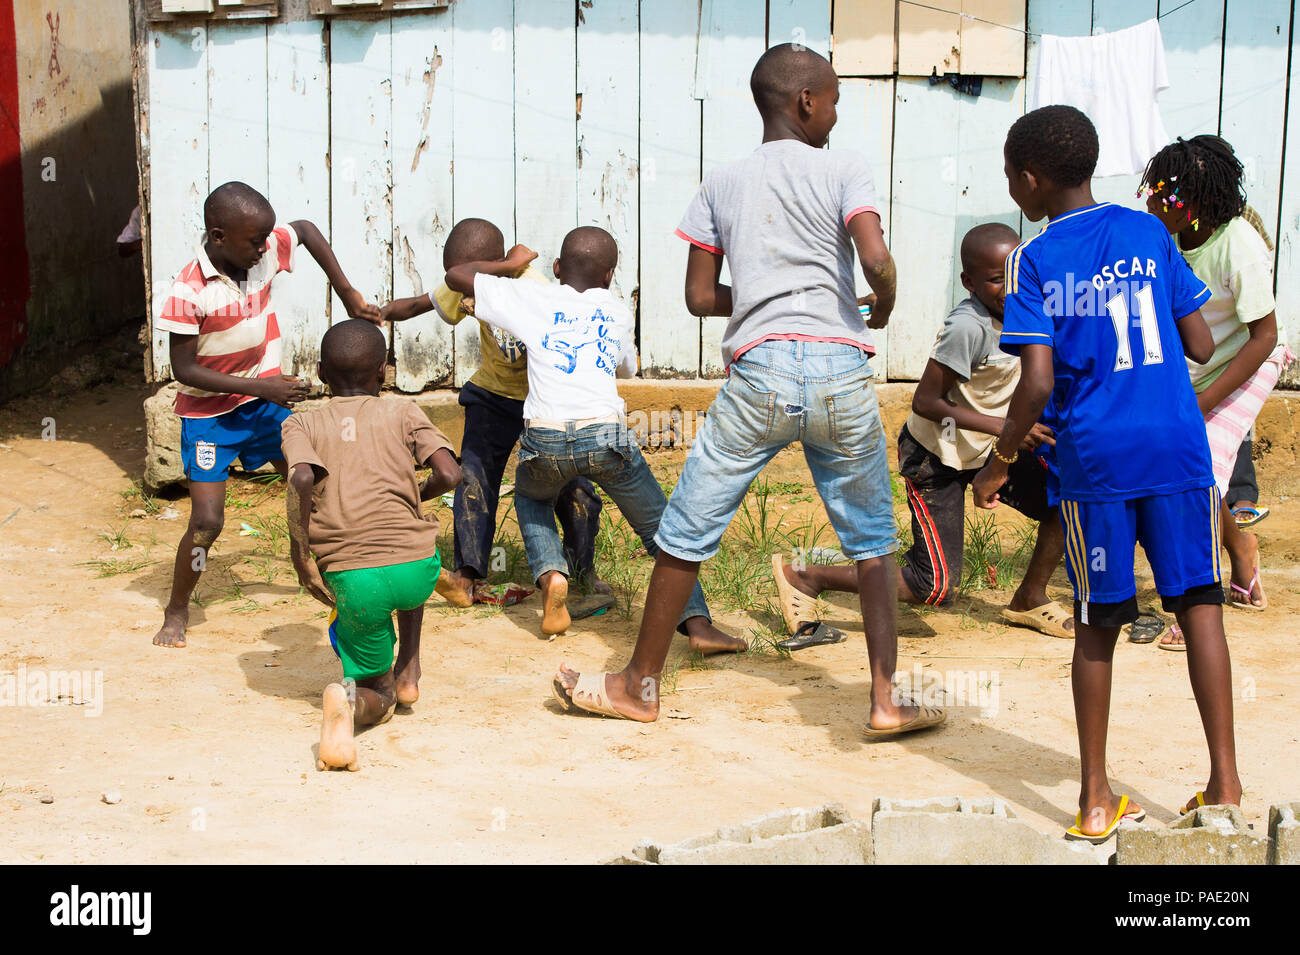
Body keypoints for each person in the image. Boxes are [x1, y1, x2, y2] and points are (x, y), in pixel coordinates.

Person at [551, 44, 941, 736]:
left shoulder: (722, 182)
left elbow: (700, 295)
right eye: (835, 101)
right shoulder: (844, 167)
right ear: (805, 103)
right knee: (872, 541)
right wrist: (881, 299)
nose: (837, 114)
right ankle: (884, 699)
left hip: (758, 375)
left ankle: (639, 683)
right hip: (840, 372)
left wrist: (762, 294)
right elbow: (875, 256)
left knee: (686, 529)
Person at [972, 106, 1242, 841]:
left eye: (1008, 174)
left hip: (1098, 458)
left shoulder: (1032, 259)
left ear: (1029, 179)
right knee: (1199, 605)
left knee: (1097, 623)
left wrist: (999, 461)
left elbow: (1034, 382)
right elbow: (1199, 338)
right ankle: (1225, 784)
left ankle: (1095, 799)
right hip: (1178, 447)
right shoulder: (1148, 231)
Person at [774, 223, 1074, 644]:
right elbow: (926, 402)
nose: (1009, 287)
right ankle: (808, 574)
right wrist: (1004, 427)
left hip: (988, 446)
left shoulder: (1032, 313)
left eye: (1015, 274)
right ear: (969, 282)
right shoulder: (968, 327)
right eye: (994, 279)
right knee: (933, 585)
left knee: (1066, 503)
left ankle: (1029, 597)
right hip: (937, 455)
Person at [442, 227, 738, 650]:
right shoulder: (617, 310)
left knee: (532, 499)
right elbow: (626, 369)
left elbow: (457, 275)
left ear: (557, 268)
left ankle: (553, 575)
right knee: (660, 530)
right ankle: (697, 626)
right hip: (605, 436)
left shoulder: (533, 298)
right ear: (610, 276)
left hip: (544, 438)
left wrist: (508, 265)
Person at [151, 181, 379, 649]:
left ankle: (338, 583)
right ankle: (177, 609)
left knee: (315, 488)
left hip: (265, 408)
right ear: (218, 237)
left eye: (264, 238)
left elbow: (308, 232)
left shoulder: (263, 252)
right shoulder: (189, 290)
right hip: (210, 417)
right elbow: (183, 368)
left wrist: (348, 293)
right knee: (208, 521)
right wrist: (259, 385)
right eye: (254, 241)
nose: (263, 248)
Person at [381, 218, 610, 614]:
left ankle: (582, 572)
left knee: (574, 487)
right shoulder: (465, 283)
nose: (462, 292)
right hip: (492, 395)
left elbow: (534, 349)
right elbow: (421, 303)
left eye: (467, 280)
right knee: (473, 477)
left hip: (547, 402)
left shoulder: (533, 290)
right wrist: (378, 313)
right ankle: (467, 575)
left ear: (496, 265)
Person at [282, 319, 463, 771]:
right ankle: (410, 670)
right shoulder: (403, 412)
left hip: (354, 578)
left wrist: (300, 554)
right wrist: (410, 499)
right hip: (416, 569)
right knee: (413, 539)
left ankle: (355, 702)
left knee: (373, 690)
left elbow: (301, 477)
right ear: (384, 373)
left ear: (321, 373)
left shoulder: (299, 422)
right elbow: (450, 474)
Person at [1139, 135, 1293, 644]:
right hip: (1196, 369)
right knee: (1186, 463)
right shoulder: (1161, 236)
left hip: (1251, 360)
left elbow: (1264, 335)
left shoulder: (1238, 245)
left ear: (1201, 202)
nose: (1154, 202)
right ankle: (1241, 550)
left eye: (1167, 195)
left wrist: (1204, 403)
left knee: (1199, 466)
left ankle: (1196, 605)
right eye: (1153, 190)